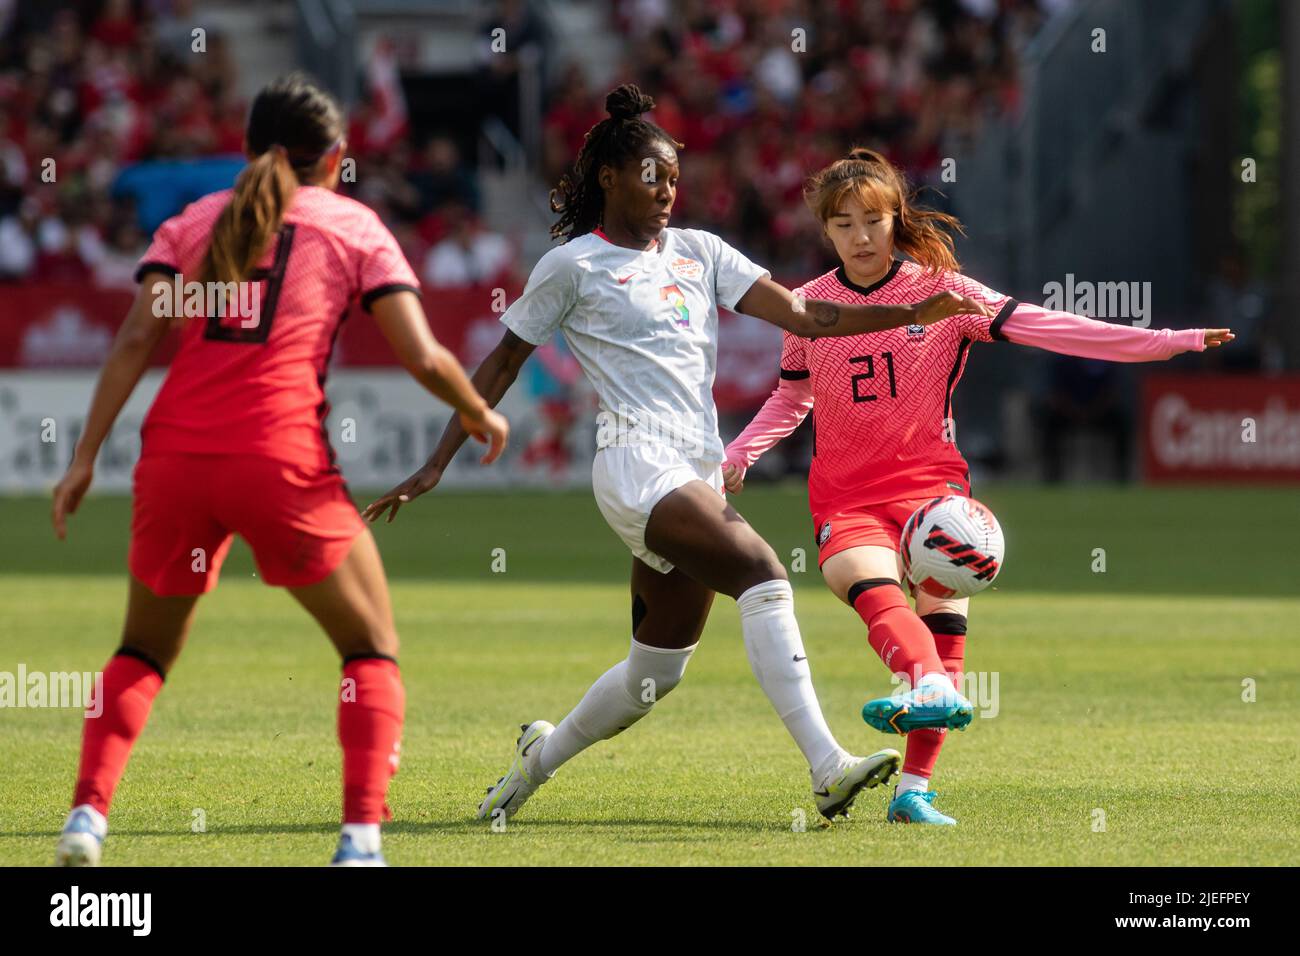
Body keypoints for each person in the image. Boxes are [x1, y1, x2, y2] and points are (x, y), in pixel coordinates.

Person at [363, 86, 992, 823]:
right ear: (609, 177)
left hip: (692, 470)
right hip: (633, 462)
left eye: (673, 178)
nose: (666, 190)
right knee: (764, 575)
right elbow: (501, 363)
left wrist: (913, 310)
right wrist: (439, 461)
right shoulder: (572, 266)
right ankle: (827, 768)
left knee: (652, 676)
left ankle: (538, 758)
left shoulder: (700, 251)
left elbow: (808, 315)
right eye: (650, 175)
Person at [49, 75, 508, 867]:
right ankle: (360, 840)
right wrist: (478, 410)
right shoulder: (352, 227)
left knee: (142, 654)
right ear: (335, 158)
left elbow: (132, 342)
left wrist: (84, 457)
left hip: (174, 462)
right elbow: (421, 353)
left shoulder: (192, 225)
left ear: (249, 150)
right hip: (277, 458)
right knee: (370, 648)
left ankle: (86, 821)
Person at [722, 147, 1233, 825]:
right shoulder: (808, 306)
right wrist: (741, 453)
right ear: (826, 231)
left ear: (894, 218)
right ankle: (927, 684)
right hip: (845, 496)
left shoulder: (946, 295)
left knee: (945, 627)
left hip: (931, 495)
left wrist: (1166, 342)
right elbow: (793, 399)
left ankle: (913, 792)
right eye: (843, 224)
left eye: (872, 220)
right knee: (864, 582)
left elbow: (1052, 328)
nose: (861, 236)